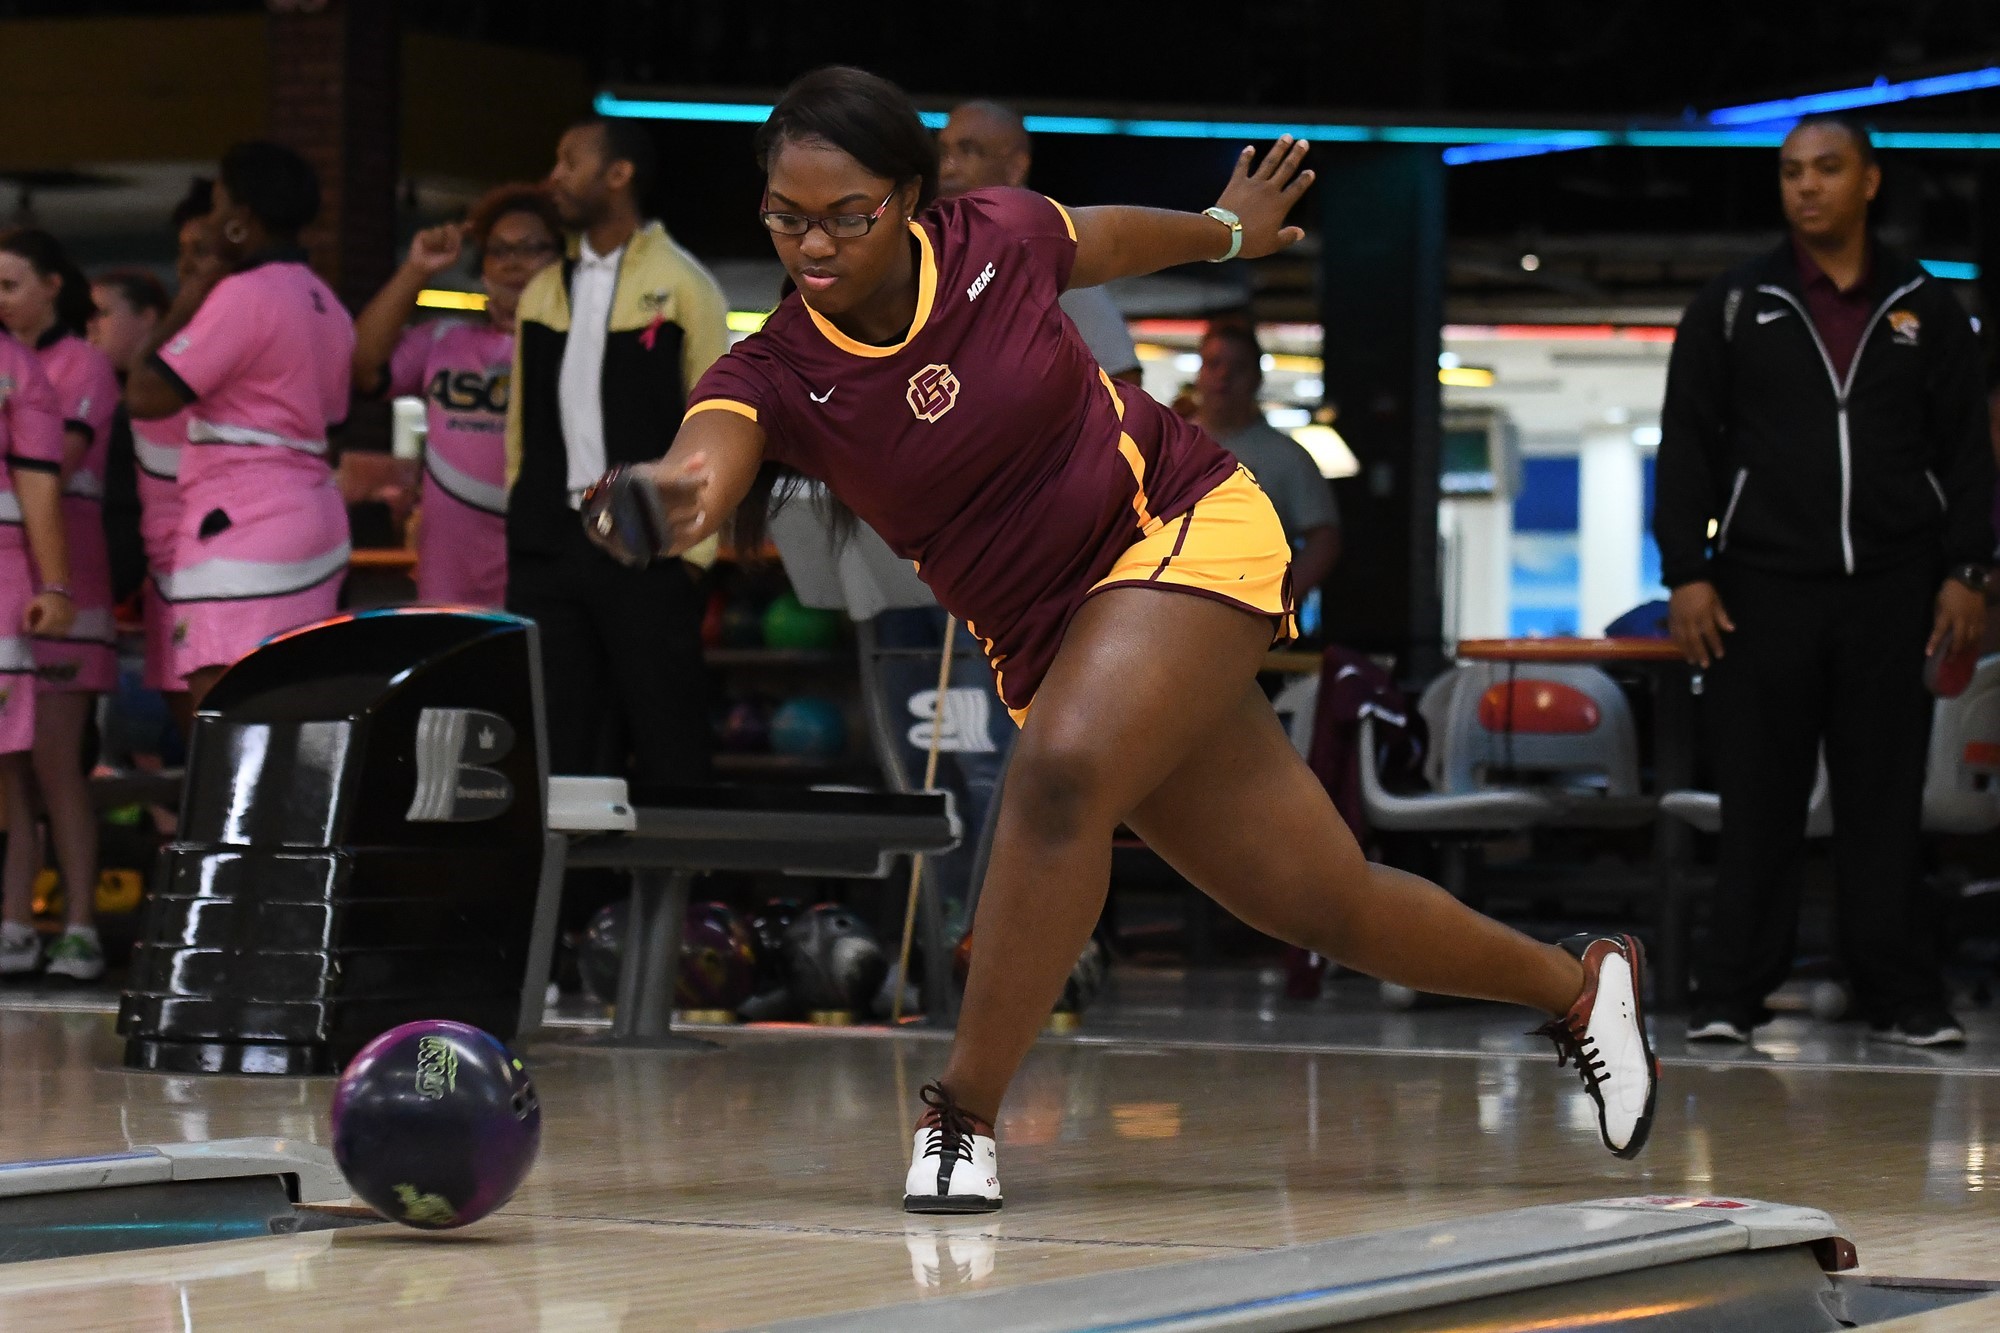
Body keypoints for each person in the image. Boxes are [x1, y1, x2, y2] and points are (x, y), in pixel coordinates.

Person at [584, 67, 1659, 1212]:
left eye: (845, 215)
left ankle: (960, 1113)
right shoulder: (775, 371)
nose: (814, 244)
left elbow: (1097, 238)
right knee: (1319, 899)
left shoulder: (991, 234)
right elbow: (707, 459)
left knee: (1057, 776)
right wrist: (664, 496)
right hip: (1050, 632)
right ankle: (1579, 985)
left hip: (1177, 526)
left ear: (905, 198)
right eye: (785, 218)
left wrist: (1222, 231)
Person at [1656, 114, 1993, 1048]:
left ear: (1870, 182)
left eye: (1828, 169)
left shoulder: (1930, 306)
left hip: (1896, 586)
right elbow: (1687, 443)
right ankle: (1731, 992)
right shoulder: (1733, 304)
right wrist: (1686, 571)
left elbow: (1969, 451)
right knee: (1759, 796)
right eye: (1792, 172)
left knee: (1884, 798)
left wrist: (1969, 568)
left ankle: (1900, 992)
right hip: (1761, 587)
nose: (1806, 186)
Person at [505, 117, 729, 786]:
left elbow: (719, 425)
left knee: (667, 739)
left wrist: (692, 554)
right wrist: (525, 530)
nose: (554, 177)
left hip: (648, 545)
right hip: (551, 546)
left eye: (569, 161)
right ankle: (573, 895)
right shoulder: (543, 292)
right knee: (559, 743)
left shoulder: (686, 285)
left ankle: (686, 893)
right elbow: (522, 430)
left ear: (618, 174)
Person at [124, 142, 354, 708]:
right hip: (314, 517)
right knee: (298, 713)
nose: (214, 218)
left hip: (242, 526)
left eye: (221, 203)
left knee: (228, 718)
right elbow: (338, 421)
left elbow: (146, 394)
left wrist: (192, 298)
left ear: (242, 219)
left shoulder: (243, 295)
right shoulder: (327, 302)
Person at [0, 230, 122, 981]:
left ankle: (80, 921)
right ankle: (14, 920)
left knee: (56, 763)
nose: (1, 298)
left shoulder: (80, 365)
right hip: (15, 585)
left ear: (53, 285)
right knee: (11, 763)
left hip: (68, 581)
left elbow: (52, 465)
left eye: (12, 284)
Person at [354, 184, 562, 607]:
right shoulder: (445, 340)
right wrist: (417, 268)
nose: (512, 264)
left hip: (545, 575)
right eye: (498, 251)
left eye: (530, 248)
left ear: (561, 258)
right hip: (446, 582)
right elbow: (363, 366)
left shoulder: (580, 350)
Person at [937, 100, 1142, 384]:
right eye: (942, 151)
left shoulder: (1045, 245)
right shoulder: (941, 244)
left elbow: (1123, 376)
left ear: (1016, 167)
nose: (946, 169)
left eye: (969, 150)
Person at [0, 333, 74, 977]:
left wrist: (53, 584)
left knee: (6, 769)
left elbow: (38, 480)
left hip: (1, 581)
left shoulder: (16, 368)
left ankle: (15, 923)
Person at [1195, 323, 1342, 590]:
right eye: (1213, 363)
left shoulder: (1287, 456)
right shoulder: (1170, 443)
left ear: (1257, 378)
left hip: (1247, 604)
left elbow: (1324, 537)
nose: (1224, 375)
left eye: (1238, 367)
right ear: (1200, 373)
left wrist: (1281, 600)